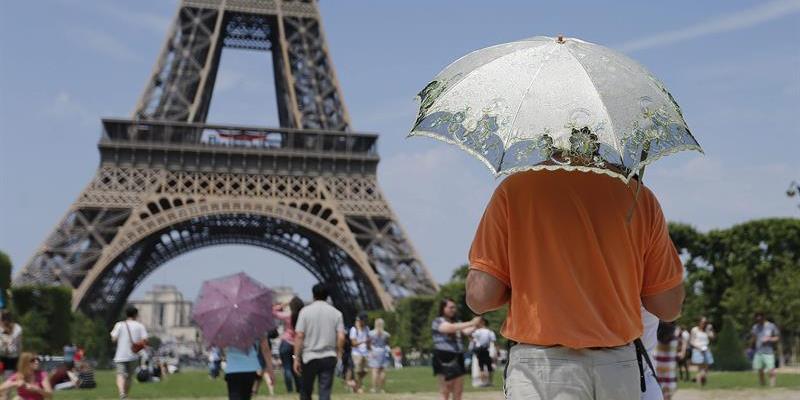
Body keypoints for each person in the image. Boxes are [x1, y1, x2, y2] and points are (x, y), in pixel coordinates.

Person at [465, 170, 685, 400]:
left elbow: (480, 297)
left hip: (542, 369)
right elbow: (668, 307)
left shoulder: (514, 190)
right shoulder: (639, 196)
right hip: (617, 369)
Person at [293, 284, 345, 400]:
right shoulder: (336, 313)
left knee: (306, 391)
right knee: (325, 392)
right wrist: (339, 354)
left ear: (313, 295)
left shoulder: (305, 312)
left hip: (309, 356)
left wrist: (296, 358)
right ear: (327, 296)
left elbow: (299, 336)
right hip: (328, 355)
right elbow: (341, 337)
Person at [432, 298, 480, 400]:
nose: (453, 310)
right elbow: (449, 328)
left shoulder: (457, 322)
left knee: (458, 390)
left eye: (454, 307)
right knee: (445, 391)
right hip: (444, 357)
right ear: (443, 308)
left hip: (458, 356)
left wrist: (477, 324)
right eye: (451, 307)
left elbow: (466, 331)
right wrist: (471, 323)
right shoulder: (438, 321)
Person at [110, 305, 148, 399]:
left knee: (120, 374)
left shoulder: (119, 325)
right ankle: (125, 395)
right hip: (133, 355)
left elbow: (113, 339)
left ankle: (122, 393)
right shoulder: (140, 326)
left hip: (120, 355)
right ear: (136, 314)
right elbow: (145, 340)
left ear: (126, 314)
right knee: (129, 377)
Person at [272, 297, 304, 393]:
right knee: (297, 366)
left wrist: (281, 306)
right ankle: (299, 388)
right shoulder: (303, 316)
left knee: (287, 367)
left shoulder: (288, 315)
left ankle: (289, 390)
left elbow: (272, 312)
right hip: (297, 345)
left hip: (286, 343)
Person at [750, 312, 780, 387]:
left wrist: (769, 339)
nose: (759, 321)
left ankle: (772, 386)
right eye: (757, 319)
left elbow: (777, 338)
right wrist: (751, 347)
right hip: (758, 351)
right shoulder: (755, 327)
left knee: (771, 370)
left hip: (768, 352)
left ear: (764, 317)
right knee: (760, 369)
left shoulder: (771, 326)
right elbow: (753, 338)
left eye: (760, 319)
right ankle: (762, 385)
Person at [654, 322, 679, 400]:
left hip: (656, 371)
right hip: (669, 373)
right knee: (667, 396)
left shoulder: (655, 340)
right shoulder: (674, 341)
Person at [470, 317, 496, 387]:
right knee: (489, 367)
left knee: (481, 366)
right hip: (487, 350)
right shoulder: (490, 332)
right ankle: (490, 382)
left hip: (479, 350)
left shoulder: (477, 331)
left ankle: (483, 382)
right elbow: (493, 342)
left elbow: (472, 339)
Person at [689, 316, 715, 386]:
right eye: (703, 322)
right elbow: (691, 341)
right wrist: (699, 348)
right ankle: (700, 383)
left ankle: (697, 378)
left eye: (705, 322)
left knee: (706, 368)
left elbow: (712, 337)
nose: (704, 323)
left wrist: (710, 329)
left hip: (706, 350)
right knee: (700, 369)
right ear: (699, 322)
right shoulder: (694, 330)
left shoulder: (706, 330)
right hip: (698, 350)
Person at [368, 318, 391, 393]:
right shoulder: (386, 334)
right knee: (382, 371)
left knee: (375, 370)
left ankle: (374, 388)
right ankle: (382, 389)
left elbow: (369, 343)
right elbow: (387, 343)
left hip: (374, 351)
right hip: (383, 351)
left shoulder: (371, 333)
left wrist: (370, 351)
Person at [348, 313, 370, 393]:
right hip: (357, 353)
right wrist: (364, 341)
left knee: (366, 370)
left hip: (365, 353)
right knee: (357, 371)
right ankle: (358, 387)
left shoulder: (367, 328)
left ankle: (355, 384)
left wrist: (369, 346)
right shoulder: (354, 329)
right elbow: (353, 343)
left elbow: (368, 340)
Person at [0, 311, 22, 380]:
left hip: (11, 357)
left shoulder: (17, 328)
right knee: (7, 377)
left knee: (8, 378)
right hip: (3, 355)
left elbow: (15, 343)